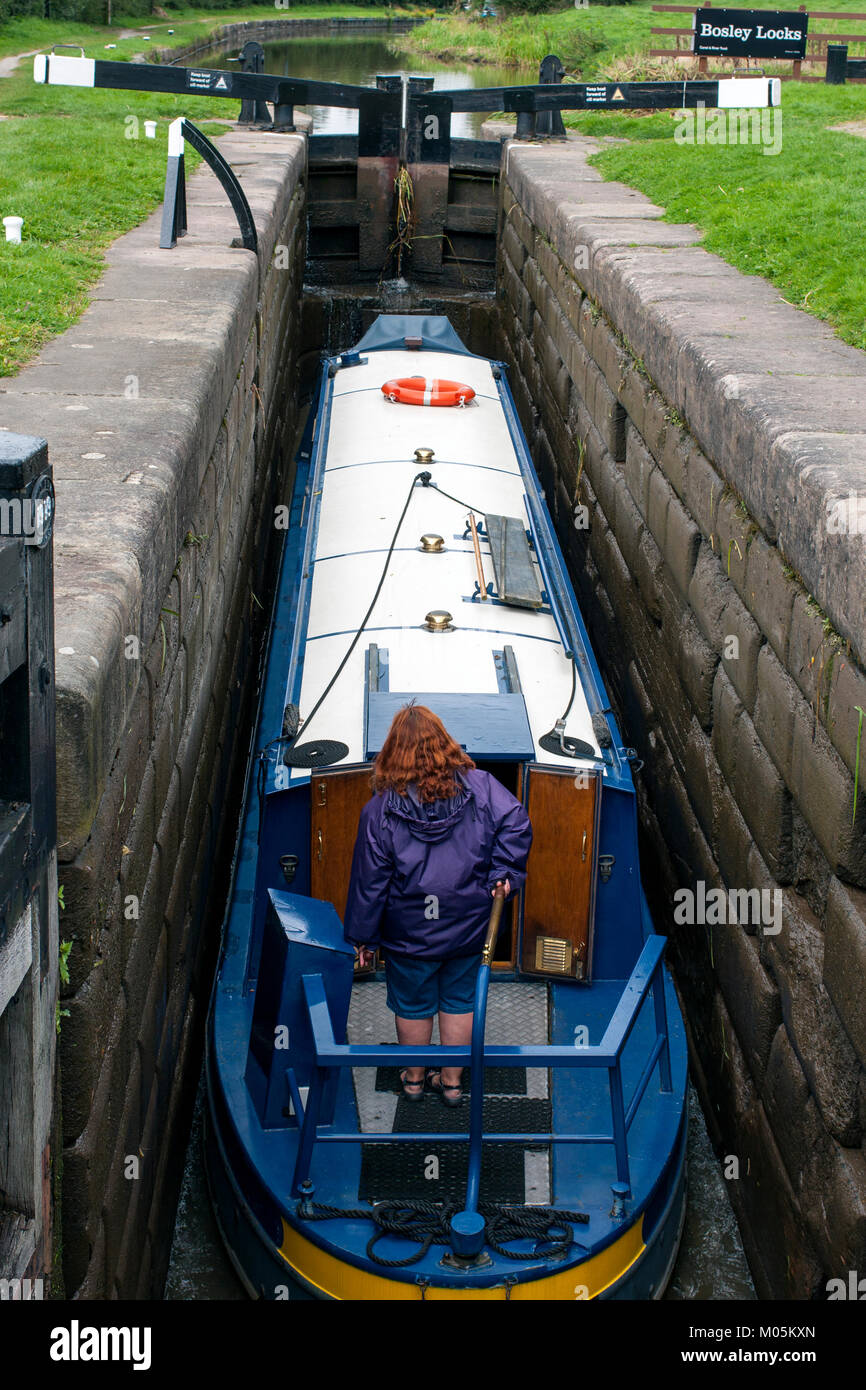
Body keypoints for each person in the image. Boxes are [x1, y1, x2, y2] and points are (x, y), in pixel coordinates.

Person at [342, 704, 532, 1105]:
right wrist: (503, 872)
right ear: (445, 744)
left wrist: (362, 938)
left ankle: (412, 1080)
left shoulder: (378, 812)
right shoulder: (481, 788)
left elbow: (370, 883)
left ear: (393, 752)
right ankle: (451, 1083)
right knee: (460, 1001)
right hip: (468, 926)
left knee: (413, 1005)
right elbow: (516, 821)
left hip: (409, 935)